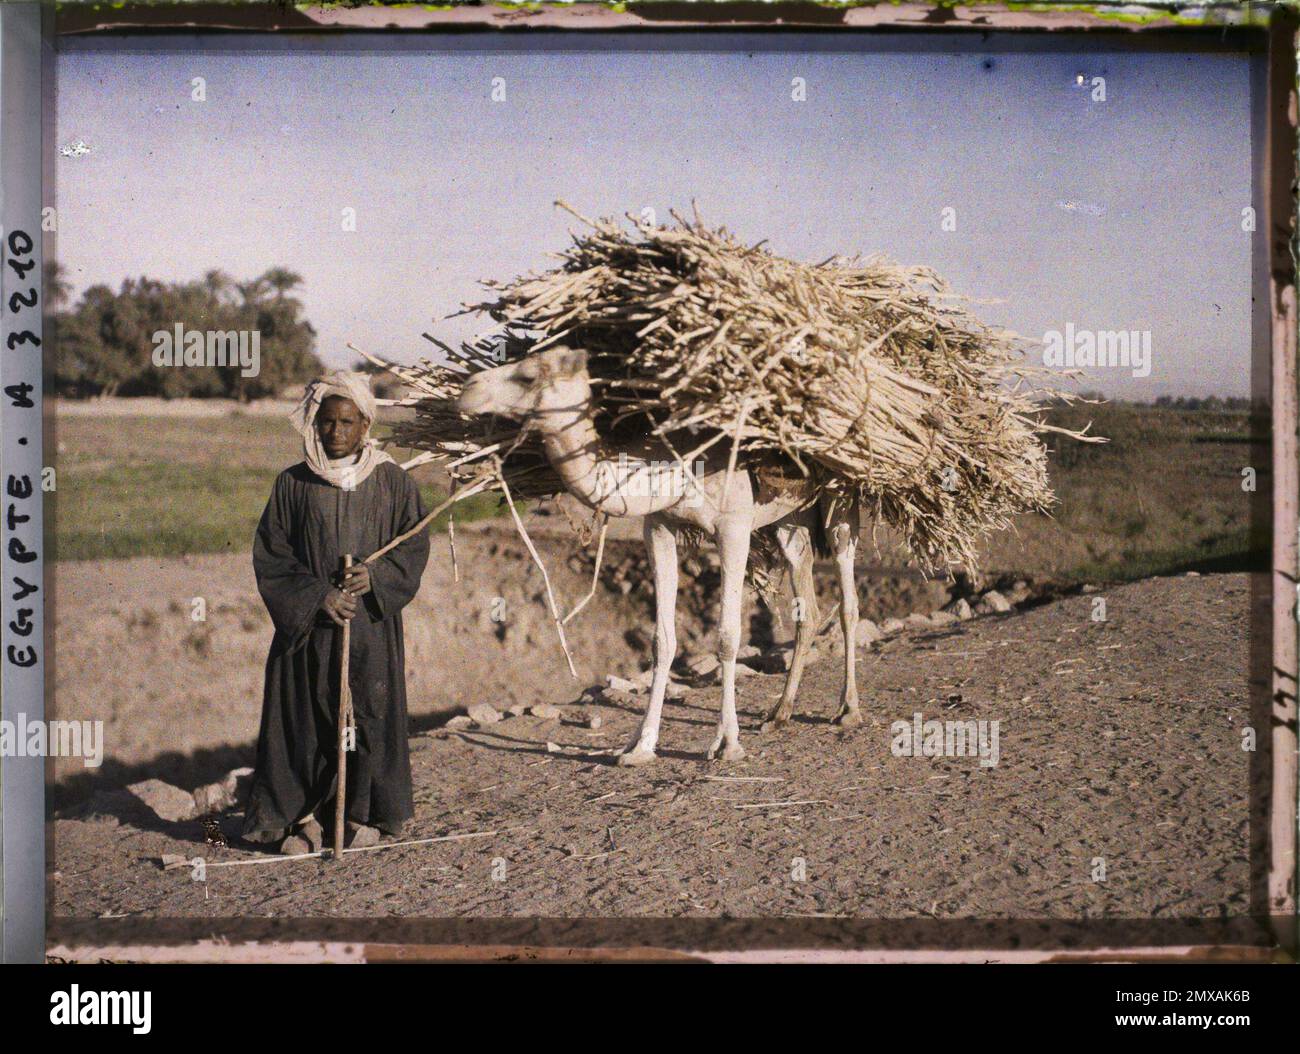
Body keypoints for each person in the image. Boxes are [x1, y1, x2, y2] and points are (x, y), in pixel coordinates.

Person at [241, 371, 430, 854]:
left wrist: (377, 578)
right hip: (307, 632)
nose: (337, 432)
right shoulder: (293, 484)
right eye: (327, 422)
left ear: (366, 424)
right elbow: (272, 555)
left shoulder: (391, 481)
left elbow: (412, 546)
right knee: (305, 722)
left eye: (348, 421)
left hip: (368, 628)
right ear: (313, 423)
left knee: (364, 715)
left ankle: (358, 814)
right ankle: (302, 819)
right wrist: (316, 597)